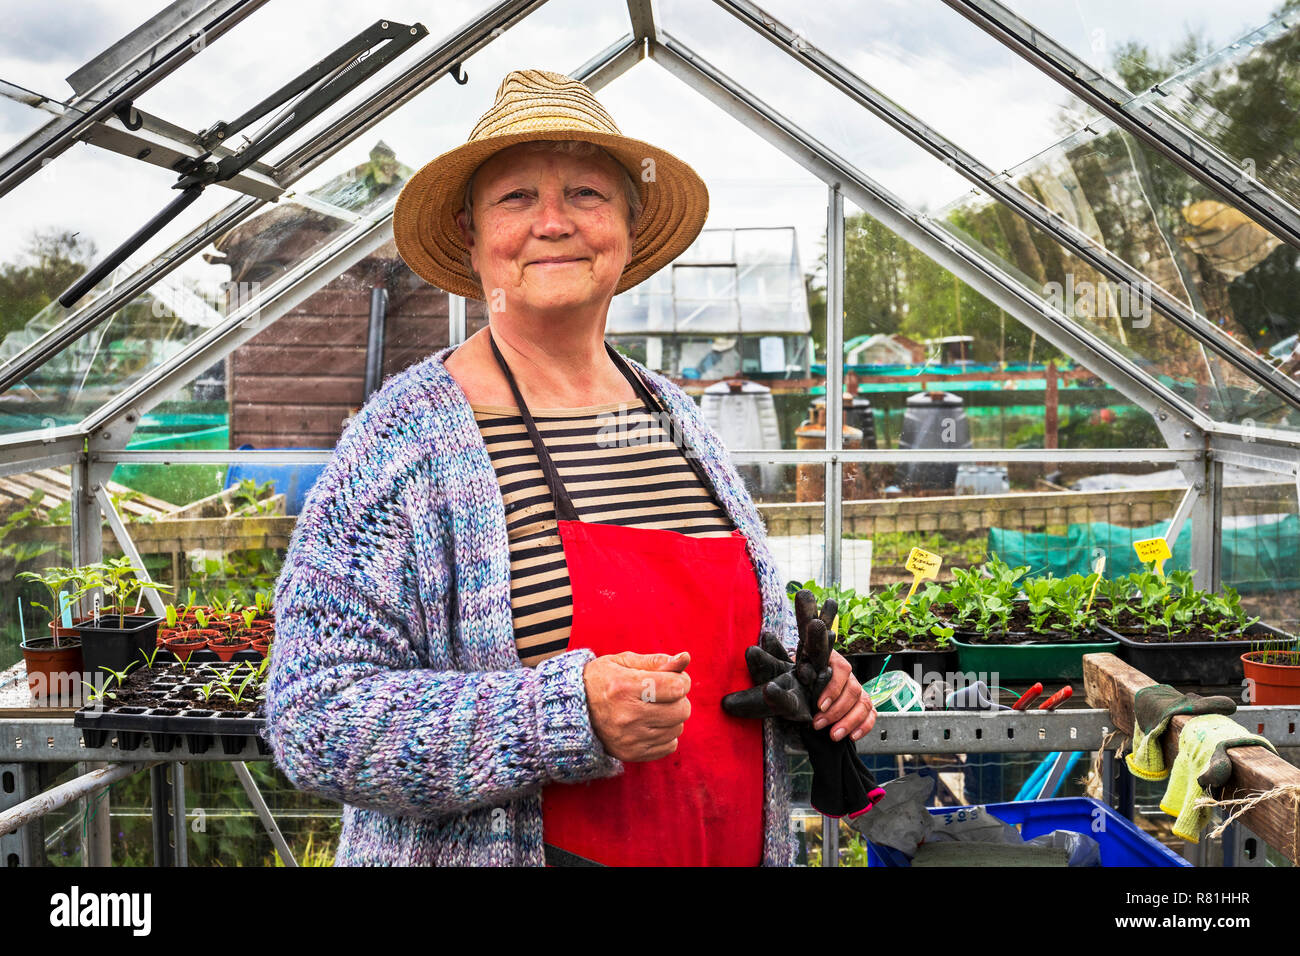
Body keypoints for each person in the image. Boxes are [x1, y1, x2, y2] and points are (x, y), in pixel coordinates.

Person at [263, 68, 875, 867]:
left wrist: (811, 684)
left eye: (586, 193)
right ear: (472, 236)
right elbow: (315, 717)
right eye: (515, 198)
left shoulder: (674, 418)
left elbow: (732, 650)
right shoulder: (408, 437)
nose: (553, 223)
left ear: (625, 225)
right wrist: (565, 715)